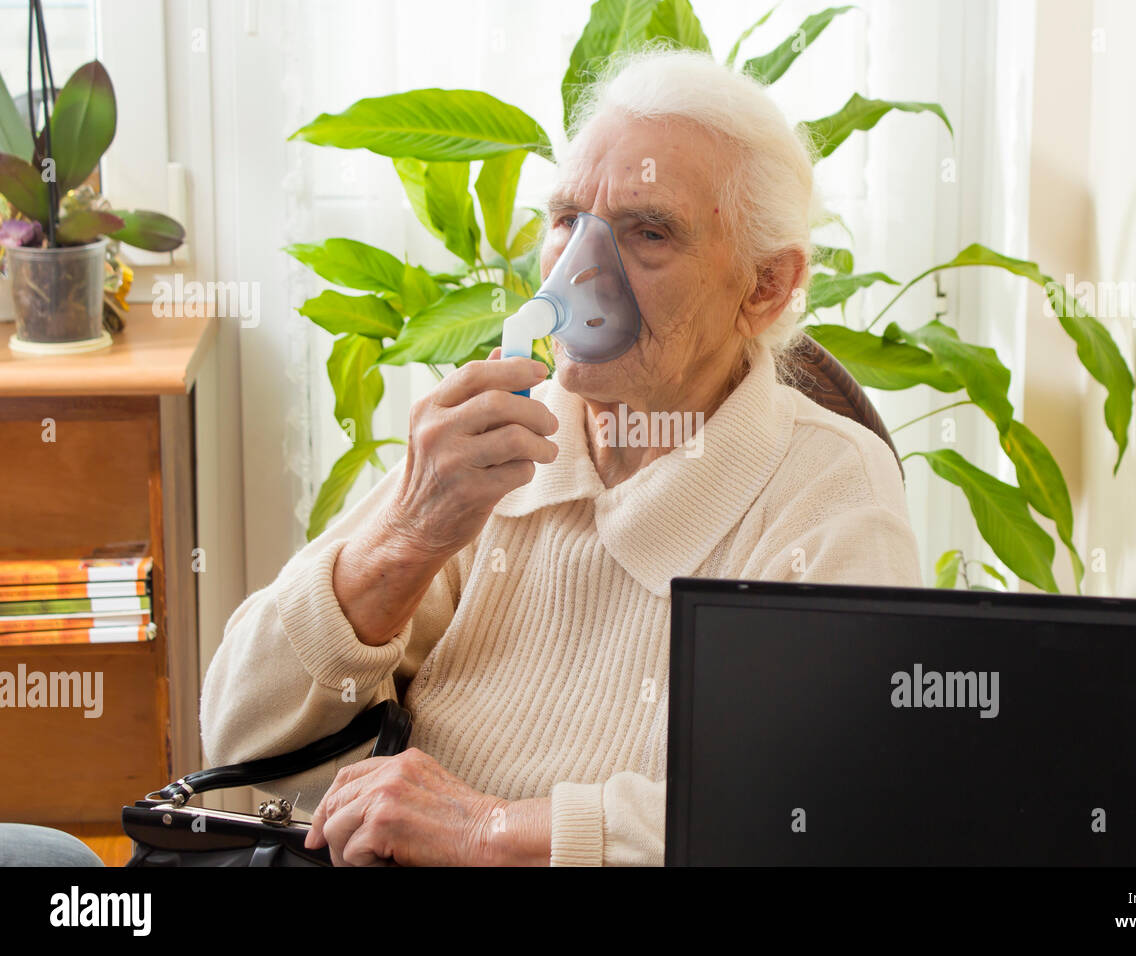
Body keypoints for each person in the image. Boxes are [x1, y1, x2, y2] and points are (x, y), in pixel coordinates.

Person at [200, 46, 924, 866]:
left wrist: (490, 831)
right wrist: (406, 534)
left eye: (648, 233)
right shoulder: (500, 444)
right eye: (567, 221)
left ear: (764, 287)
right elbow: (237, 746)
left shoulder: (826, 495)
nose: (579, 273)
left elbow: (828, 818)